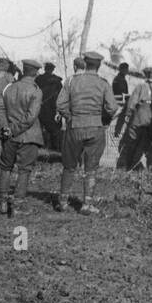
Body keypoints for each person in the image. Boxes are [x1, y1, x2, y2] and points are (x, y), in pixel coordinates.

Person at [55, 50, 117, 213]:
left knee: (69, 166)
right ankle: (87, 204)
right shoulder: (103, 83)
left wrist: (70, 117)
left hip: (74, 127)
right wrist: (102, 119)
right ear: (99, 65)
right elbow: (112, 107)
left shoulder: (71, 81)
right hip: (95, 128)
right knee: (91, 168)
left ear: (85, 63)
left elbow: (60, 105)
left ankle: (62, 201)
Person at [0, 59, 44, 215]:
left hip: (9, 137)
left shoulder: (9, 88)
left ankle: (2, 203)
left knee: (5, 167)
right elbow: (30, 117)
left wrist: (6, 129)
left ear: (23, 70)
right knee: (24, 171)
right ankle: (18, 205)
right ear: (35, 73)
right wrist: (14, 130)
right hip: (28, 137)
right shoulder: (36, 91)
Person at [116, 66, 152, 170]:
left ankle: (127, 166)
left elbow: (131, 103)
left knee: (131, 141)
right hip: (151, 119)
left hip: (138, 118)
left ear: (144, 76)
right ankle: (140, 166)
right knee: (144, 144)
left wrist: (128, 115)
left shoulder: (140, 87)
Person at [35, 61, 64, 152]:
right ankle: (54, 147)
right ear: (52, 69)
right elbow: (61, 95)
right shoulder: (57, 81)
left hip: (41, 107)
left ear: (45, 69)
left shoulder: (38, 79)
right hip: (53, 108)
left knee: (41, 126)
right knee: (54, 128)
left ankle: (42, 146)